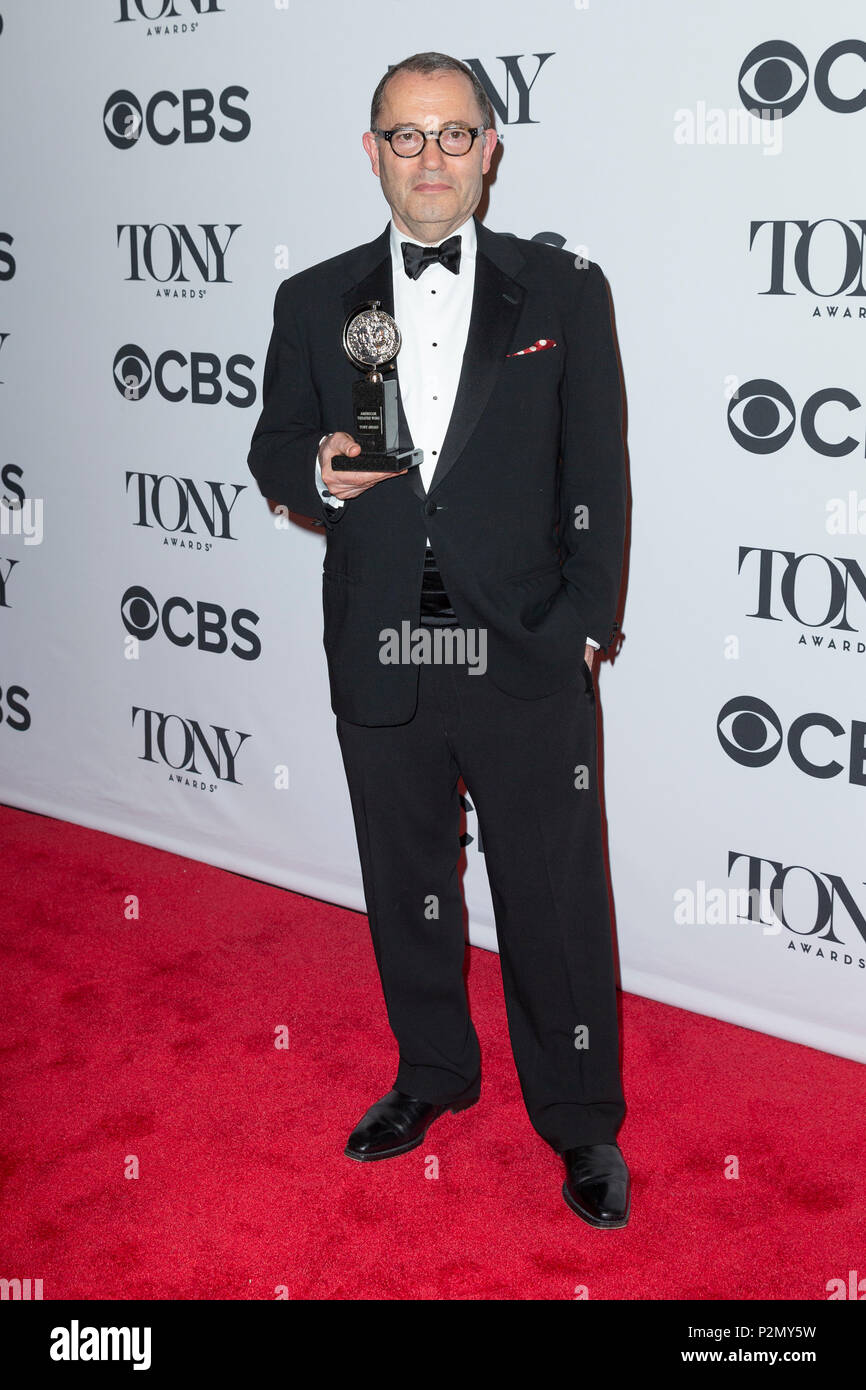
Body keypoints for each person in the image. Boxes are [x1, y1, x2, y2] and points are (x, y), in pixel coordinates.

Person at [247, 51, 630, 1227]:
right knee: (406, 882)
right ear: (371, 153)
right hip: (383, 645)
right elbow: (274, 450)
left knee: (552, 898)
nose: (429, 159)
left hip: (520, 652)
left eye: (452, 135)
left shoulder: (562, 291)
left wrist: (581, 631)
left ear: (489, 150)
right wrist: (314, 467)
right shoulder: (314, 299)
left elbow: (598, 474)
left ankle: (579, 1124)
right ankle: (430, 1074)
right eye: (404, 137)